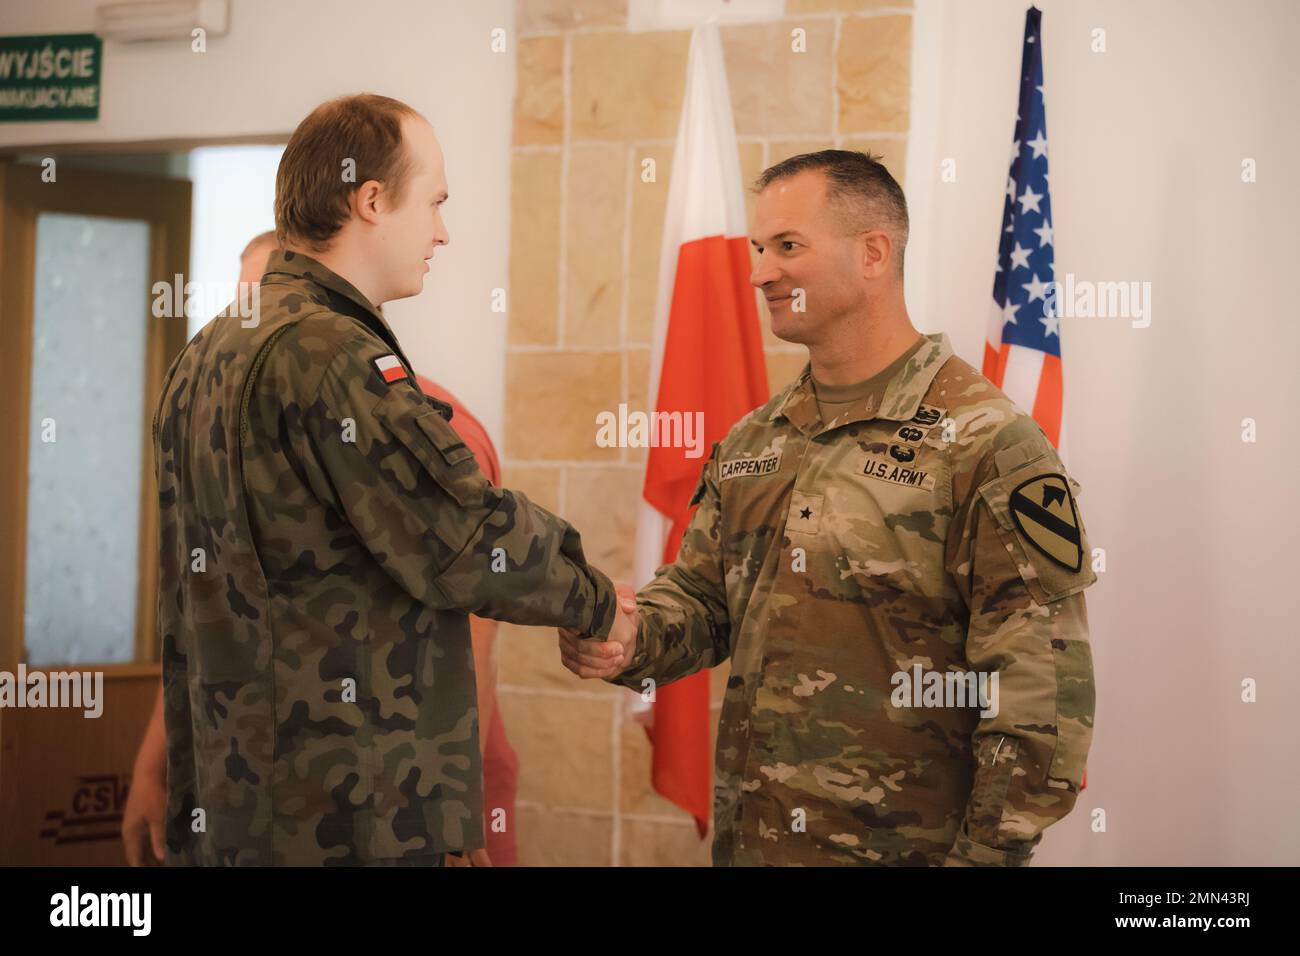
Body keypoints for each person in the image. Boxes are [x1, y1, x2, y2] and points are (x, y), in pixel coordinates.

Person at [561, 150, 1097, 867]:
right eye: (759, 249)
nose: (759, 273)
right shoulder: (755, 440)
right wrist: (625, 637)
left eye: (788, 247)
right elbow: (702, 602)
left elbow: (1041, 692)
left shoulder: (985, 442)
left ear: (874, 253)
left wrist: (985, 858)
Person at [151, 94, 632, 866]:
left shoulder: (206, 350)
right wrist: (598, 601)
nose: (442, 230)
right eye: (435, 202)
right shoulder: (329, 351)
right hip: (347, 809)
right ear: (370, 200)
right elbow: (464, 538)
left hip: (233, 798)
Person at [125, 233, 522, 867]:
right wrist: (157, 759)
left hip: (412, 793)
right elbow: (203, 607)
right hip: (262, 788)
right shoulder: (245, 431)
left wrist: (451, 814)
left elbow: (467, 635)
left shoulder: (427, 430)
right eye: (244, 312)